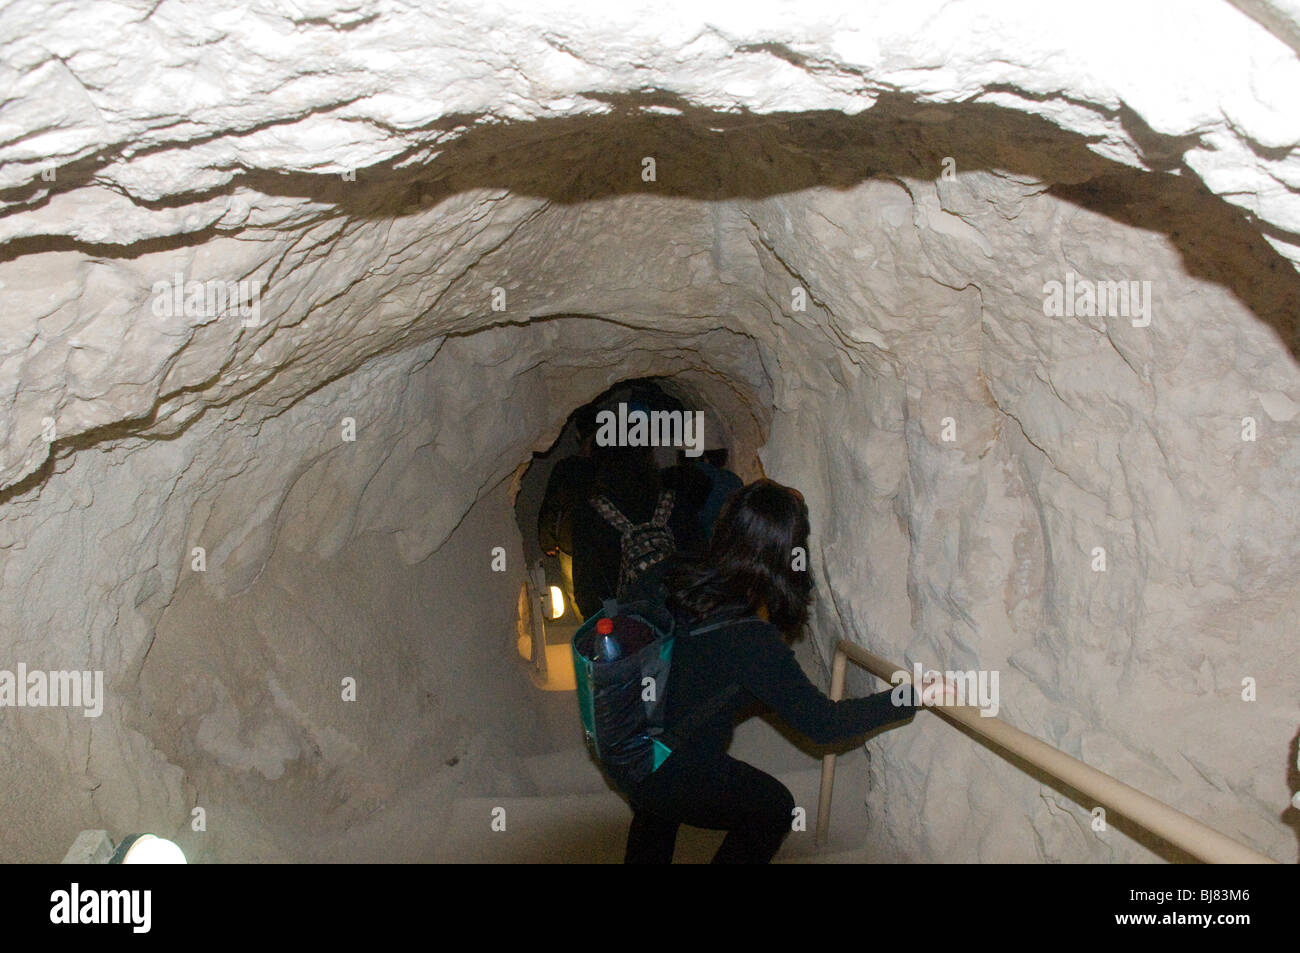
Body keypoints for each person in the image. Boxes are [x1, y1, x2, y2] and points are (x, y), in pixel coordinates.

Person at [621, 479, 924, 864]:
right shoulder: (748, 639)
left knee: (657, 808)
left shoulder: (670, 571)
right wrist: (912, 695)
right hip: (670, 768)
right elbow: (824, 724)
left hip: (625, 740)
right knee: (773, 808)